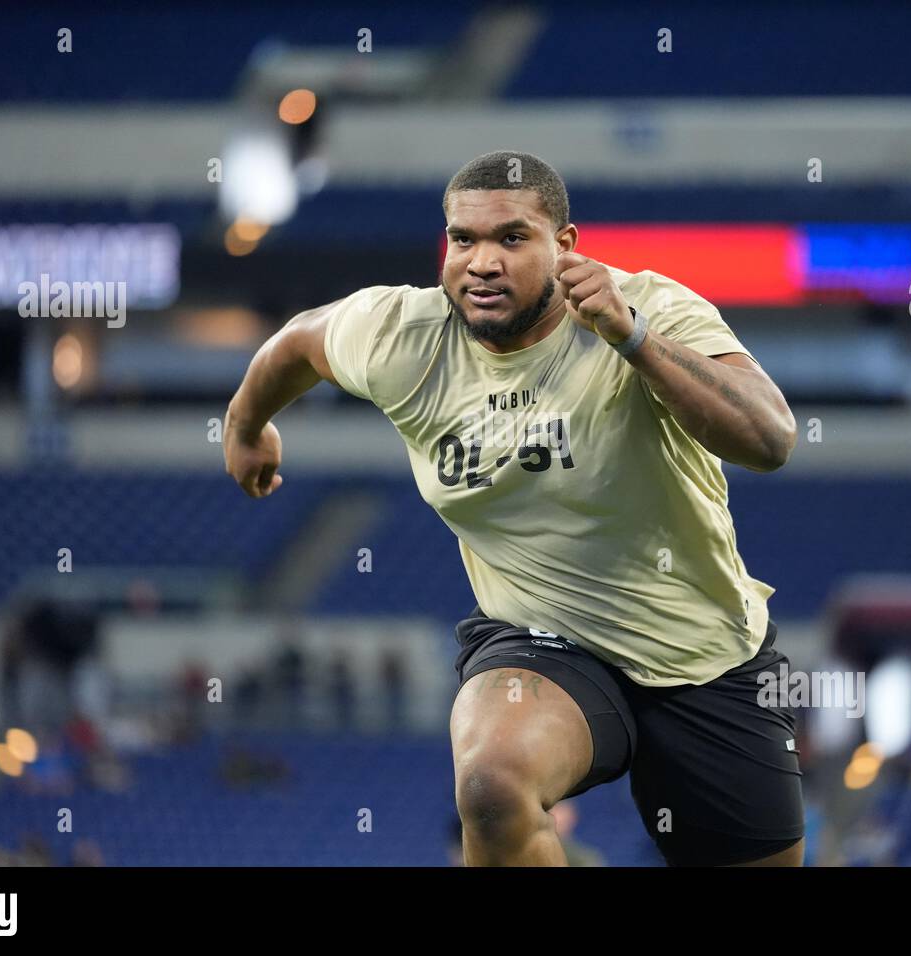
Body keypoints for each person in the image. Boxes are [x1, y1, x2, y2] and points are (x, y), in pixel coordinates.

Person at [224, 150, 802, 866]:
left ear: (565, 247)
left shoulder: (646, 304)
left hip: (705, 652)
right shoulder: (405, 337)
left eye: (511, 238)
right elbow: (298, 343)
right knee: (493, 785)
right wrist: (247, 429)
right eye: (462, 239)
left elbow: (770, 439)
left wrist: (635, 340)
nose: (481, 262)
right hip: (543, 639)